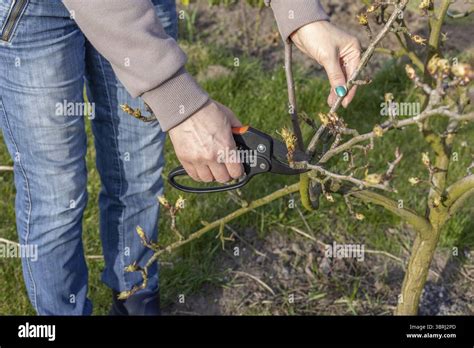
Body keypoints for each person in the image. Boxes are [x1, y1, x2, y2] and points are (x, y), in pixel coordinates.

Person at [0, 0, 361, 315]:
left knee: (139, 174)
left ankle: (135, 300)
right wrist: (178, 100)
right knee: (56, 193)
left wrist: (300, 15)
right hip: (33, 12)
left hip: (141, 6)